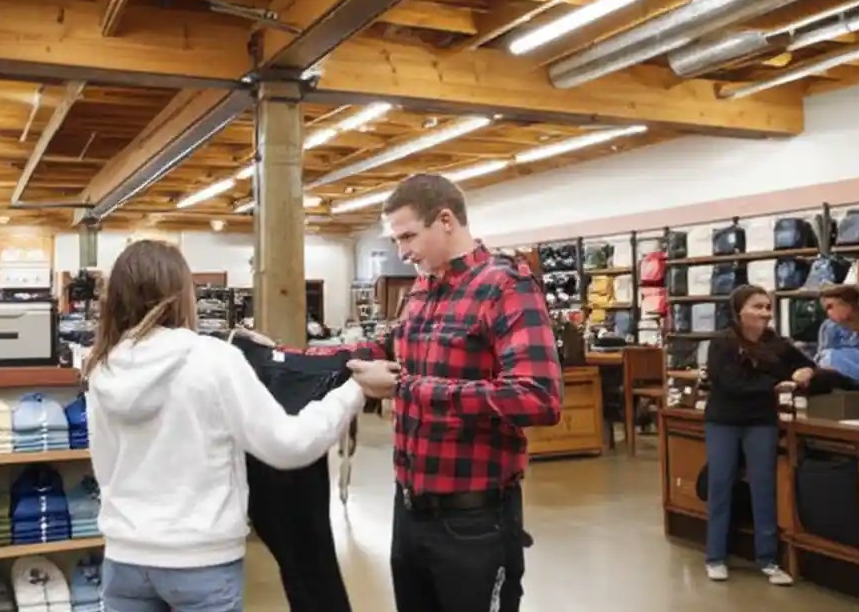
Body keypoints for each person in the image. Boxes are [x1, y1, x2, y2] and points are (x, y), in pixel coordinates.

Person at [255, 173, 563, 611]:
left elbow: (538, 396)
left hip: (475, 519)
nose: (401, 251)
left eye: (408, 236)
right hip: (410, 513)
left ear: (445, 221)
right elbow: (379, 348)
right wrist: (283, 357)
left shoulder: (507, 286)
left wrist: (407, 387)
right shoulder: (422, 290)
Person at [84, 239, 379, 612]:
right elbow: (289, 447)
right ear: (181, 294)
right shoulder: (213, 360)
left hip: (124, 559)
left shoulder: (102, 367)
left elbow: (104, 469)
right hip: (200, 561)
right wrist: (354, 391)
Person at [703, 284, 819, 586]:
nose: (765, 313)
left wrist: (806, 373)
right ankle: (715, 556)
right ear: (740, 310)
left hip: (761, 422)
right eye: (757, 306)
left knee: (764, 486)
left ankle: (767, 559)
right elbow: (729, 383)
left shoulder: (776, 344)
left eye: (767, 307)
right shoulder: (722, 343)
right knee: (721, 483)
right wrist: (776, 382)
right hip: (724, 421)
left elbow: (805, 365)